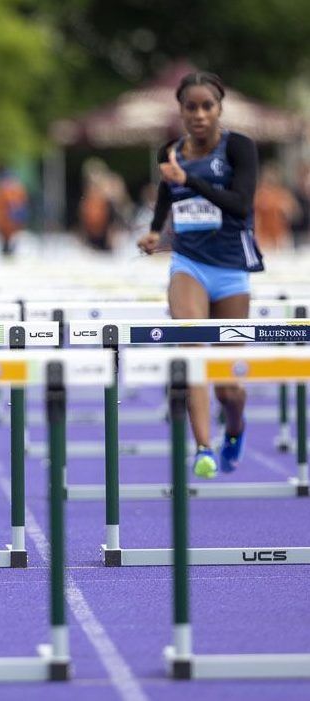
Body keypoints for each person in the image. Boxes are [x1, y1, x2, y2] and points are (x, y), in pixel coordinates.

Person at [137, 71, 263, 479]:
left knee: (229, 387)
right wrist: (156, 231)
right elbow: (165, 194)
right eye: (191, 107)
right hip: (188, 264)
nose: (199, 114)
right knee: (193, 355)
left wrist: (189, 179)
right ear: (181, 111)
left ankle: (236, 426)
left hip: (230, 269)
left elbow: (240, 205)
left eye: (207, 106)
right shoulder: (170, 151)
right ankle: (203, 448)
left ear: (219, 108)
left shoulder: (239, 148)